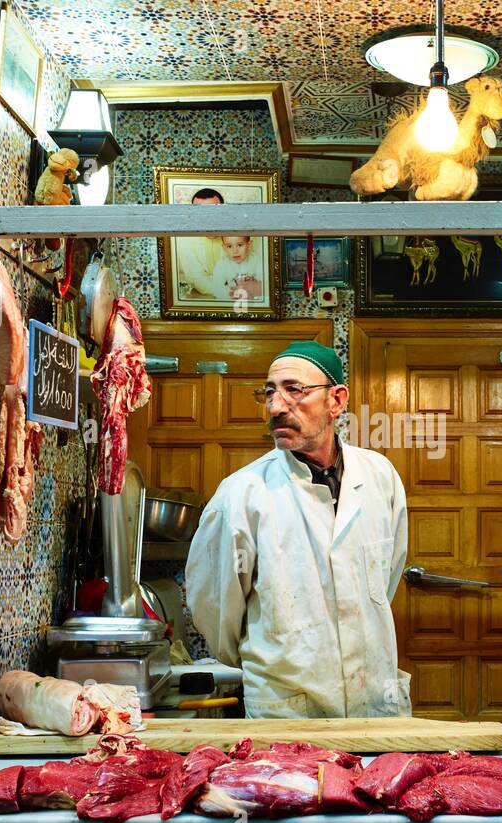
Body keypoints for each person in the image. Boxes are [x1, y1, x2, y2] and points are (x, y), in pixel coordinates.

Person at [185, 341, 412, 719]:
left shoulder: (380, 477)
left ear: (336, 401)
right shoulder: (242, 494)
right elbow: (216, 609)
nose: (276, 407)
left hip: (374, 700)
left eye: (294, 390)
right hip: (286, 709)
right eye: (270, 392)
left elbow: (387, 579)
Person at [175, 187, 260, 302]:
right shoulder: (184, 239)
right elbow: (197, 280)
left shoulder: (240, 234)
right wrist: (233, 291)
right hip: (207, 299)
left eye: (213, 213)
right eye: (200, 214)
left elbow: (255, 273)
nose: (207, 220)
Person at [209, 235, 265, 302]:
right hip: (231, 301)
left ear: (249, 245)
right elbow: (216, 288)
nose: (235, 251)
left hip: (252, 300)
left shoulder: (257, 261)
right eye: (229, 246)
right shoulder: (221, 264)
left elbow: (265, 284)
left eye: (240, 245)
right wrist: (231, 294)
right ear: (224, 248)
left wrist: (254, 292)